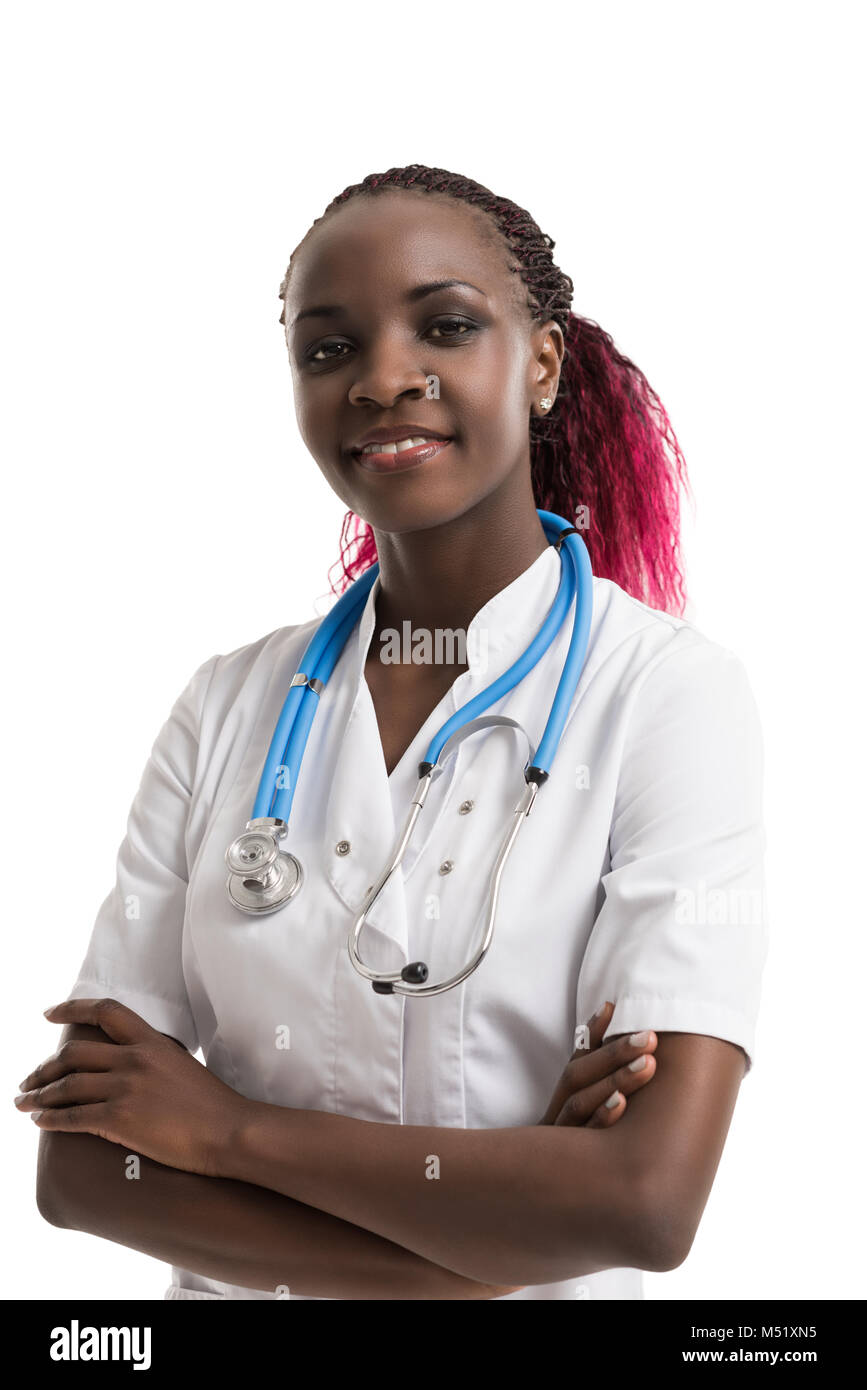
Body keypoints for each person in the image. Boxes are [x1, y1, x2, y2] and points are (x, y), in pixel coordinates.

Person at [20, 164, 767, 1300]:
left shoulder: (666, 699)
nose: (379, 379)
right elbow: (83, 1168)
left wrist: (221, 1130)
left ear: (544, 367)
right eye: (327, 349)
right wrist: (495, 1251)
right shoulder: (225, 705)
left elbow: (644, 1200)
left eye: (447, 325)